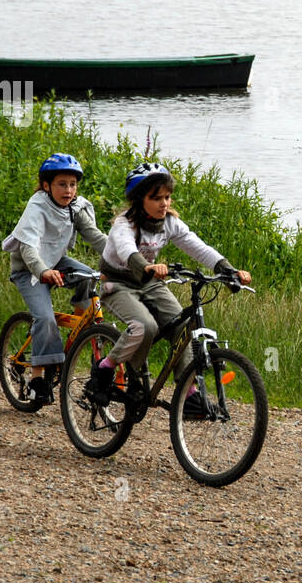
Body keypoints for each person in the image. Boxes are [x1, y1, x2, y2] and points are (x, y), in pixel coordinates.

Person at [91, 161, 251, 415]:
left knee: (181, 326)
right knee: (145, 327)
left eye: (167, 197)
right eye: (156, 198)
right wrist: (146, 267)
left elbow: (197, 246)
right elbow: (126, 249)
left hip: (150, 281)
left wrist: (228, 271)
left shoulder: (169, 223)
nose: (164, 203)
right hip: (118, 283)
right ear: (139, 199)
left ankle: (187, 394)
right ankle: (106, 368)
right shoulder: (125, 225)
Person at [2, 153, 107, 404]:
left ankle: (80, 324)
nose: (68, 190)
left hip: (56, 261)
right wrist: (42, 271)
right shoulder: (37, 207)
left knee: (88, 277)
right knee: (45, 318)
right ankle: (38, 378)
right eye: (62, 184)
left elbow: (96, 237)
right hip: (30, 270)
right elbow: (27, 248)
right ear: (47, 185)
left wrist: (123, 259)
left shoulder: (75, 208)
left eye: (72, 184)